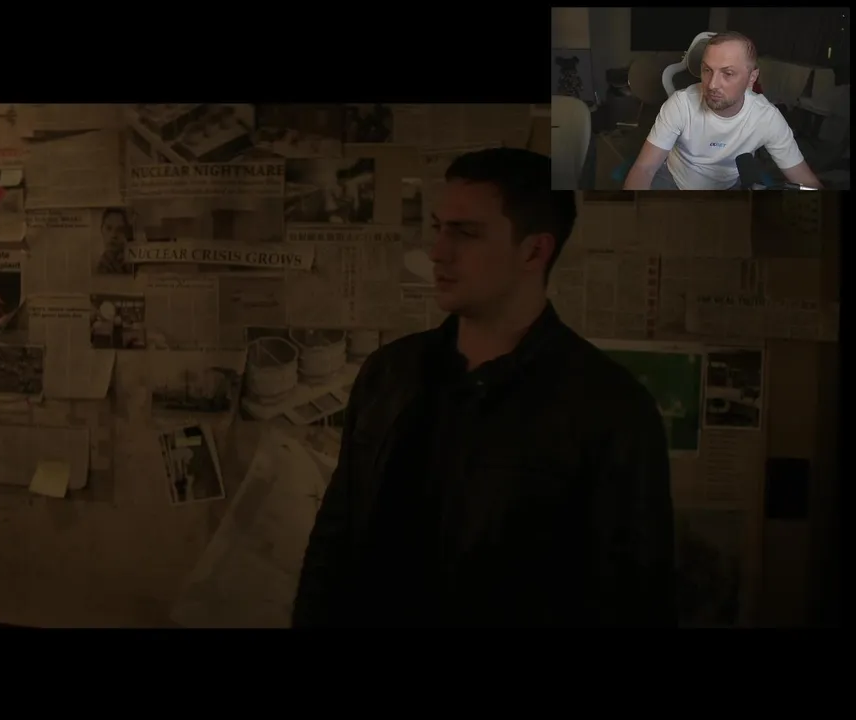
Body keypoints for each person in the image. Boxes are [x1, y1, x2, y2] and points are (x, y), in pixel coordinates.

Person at [293, 147, 676, 627]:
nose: (438, 251)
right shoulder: (389, 374)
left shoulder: (610, 408)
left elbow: (634, 599)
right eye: (439, 228)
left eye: (466, 233)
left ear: (534, 251)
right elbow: (334, 542)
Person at [623, 32, 823, 190]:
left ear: (752, 78)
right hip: (673, 181)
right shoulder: (680, 104)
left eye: (727, 73)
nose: (712, 85)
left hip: (728, 187)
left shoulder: (767, 118)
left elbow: (807, 182)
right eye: (707, 70)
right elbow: (644, 168)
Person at [96, 208, 133, 274]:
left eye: (119, 230)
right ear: (102, 230)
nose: (113, 235)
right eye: (108, 228)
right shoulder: (101, 267)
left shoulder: (133, 263)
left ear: (126, 233)